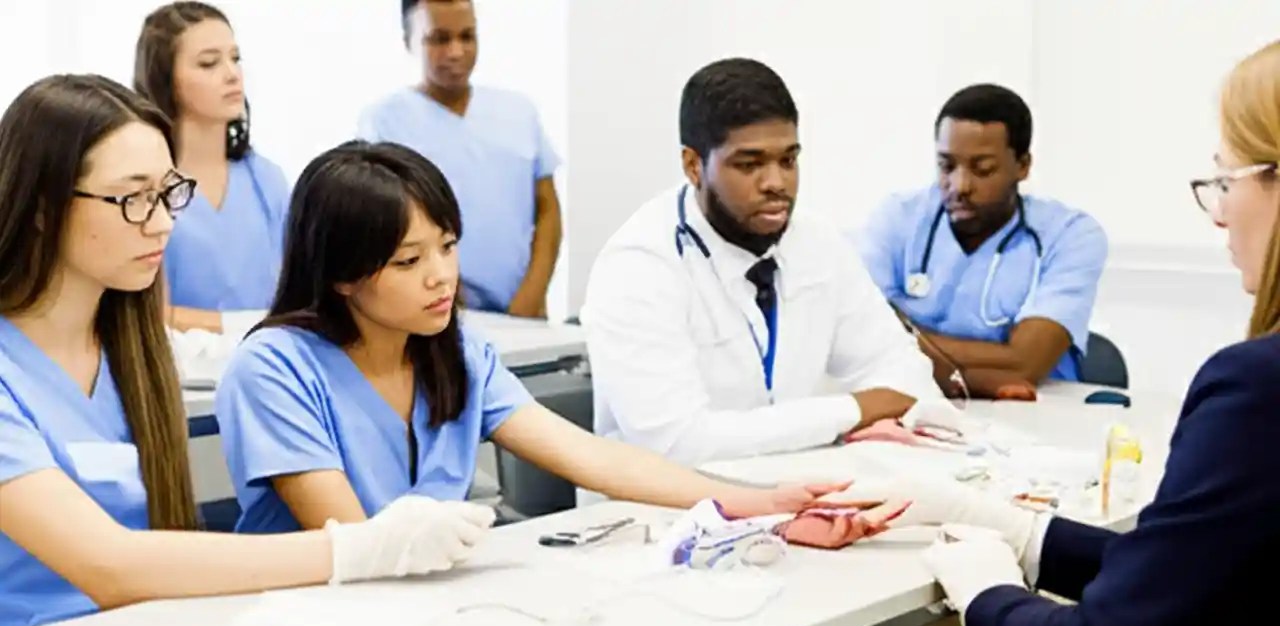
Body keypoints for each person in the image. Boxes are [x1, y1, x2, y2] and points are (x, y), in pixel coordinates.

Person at [837, 41, 1280, 626]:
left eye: (1224, 180)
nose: (1218, 212)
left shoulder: (1256, 391)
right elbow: (1195, 571)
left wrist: (988, 594)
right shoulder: (897, 218)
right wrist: (1013, 529)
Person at [0, 74, 502, 626]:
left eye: (167, 193)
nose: (163, 222)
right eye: (133, 198)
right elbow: (109, 566)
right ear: (42, 206)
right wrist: (363, 547)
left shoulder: (130, 354)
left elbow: (161, 555)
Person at [213, 140, 849, 538]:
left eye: (448, 246)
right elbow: (355, 543)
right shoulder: (274, 369)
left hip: (424, 607)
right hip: (311, 622)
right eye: (409, 261)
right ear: (342, 275)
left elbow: (597, 459)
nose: (442, 276)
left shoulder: (455, 352)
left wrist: (759, 503)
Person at [581, 58, 943, 473]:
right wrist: (853, 411)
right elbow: (676, 442)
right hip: (659, 504)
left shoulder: (817, 241)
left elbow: (905, 374)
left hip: (793, 490)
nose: (776, 183)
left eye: (788, 160)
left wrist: (871, 414)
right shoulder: (639, 265)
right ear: (694, 166)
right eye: (749, 164)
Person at [856, 84, 1107, 396]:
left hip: (1033, 408)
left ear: (1023, 166)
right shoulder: (898, 219)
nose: (960, 185)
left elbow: (1025, 364)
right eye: (946, 166)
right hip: (916, 403)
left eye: (983, 169)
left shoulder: (1069, 236)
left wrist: (905, 343)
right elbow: (858, 340)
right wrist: (983, 380)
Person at [357, 0, 561, 318]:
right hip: (430, 312)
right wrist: (444, 294)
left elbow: (548, 210)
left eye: (467, 36)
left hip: (521, 313)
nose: (456, 52)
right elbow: (382, 226)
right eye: (439, 39)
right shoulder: (384, 122)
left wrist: (531, 296)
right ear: (409, 41)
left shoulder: (518, 112)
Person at [134, 2, 291, 337]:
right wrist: (243, 326)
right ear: (165, 79)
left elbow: (299, 298)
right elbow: (145, 314)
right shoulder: (143, 189)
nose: (232, 74)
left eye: (235, 58)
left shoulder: (268, 181)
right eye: (209, 63)